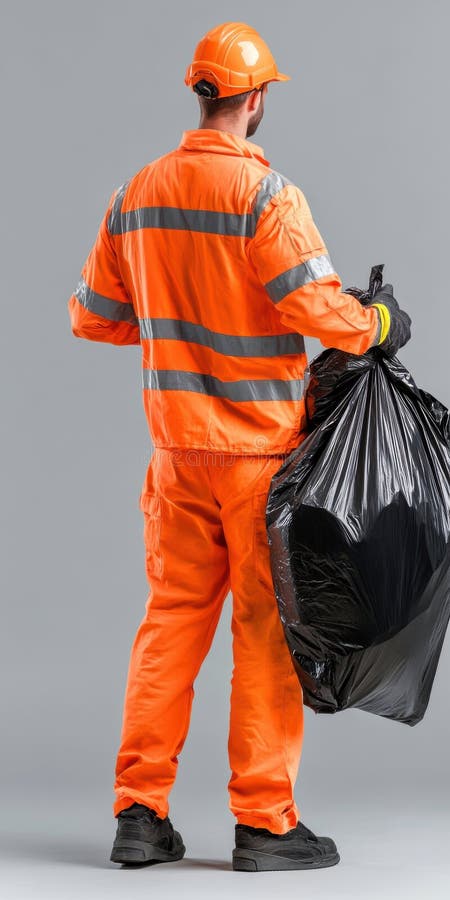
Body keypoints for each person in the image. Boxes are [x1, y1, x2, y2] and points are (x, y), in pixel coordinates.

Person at [67, 21, 411, 873]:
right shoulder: (267, 198)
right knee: (262, 633)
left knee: (170, 627)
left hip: (176, 456)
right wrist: (379, 323)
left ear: (201, 93)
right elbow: (316, 311)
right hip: (259, 463)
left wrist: (173, 321)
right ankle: (264, 824)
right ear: (255, 99)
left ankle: (140, 815)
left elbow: (92, 316)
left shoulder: (136, 194)